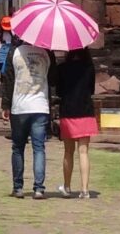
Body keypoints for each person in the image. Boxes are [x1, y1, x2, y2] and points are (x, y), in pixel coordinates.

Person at [51, 46, 100, 199]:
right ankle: (85, 189)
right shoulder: (89, 68)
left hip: (68, 112)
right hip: (85, 112)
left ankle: (67, 186)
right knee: (84, 151)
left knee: (68, 152)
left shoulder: (63, 68)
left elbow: (58, 91)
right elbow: (91, 90)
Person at [8, 37, 52, 199]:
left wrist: (5, 105)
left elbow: (8, 80)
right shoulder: (46, 53)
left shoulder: (15, 52)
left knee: (18, 148)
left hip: (20, 106)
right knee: (39, 148)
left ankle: (18, 187)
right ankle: (39, 188)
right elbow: (52, 78)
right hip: (40, 106)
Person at [0, 15, 16, 120]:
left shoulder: (14, 33)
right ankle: (4, 88)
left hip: (10, 53)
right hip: (1, 54)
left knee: (9, 73)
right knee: (3, 73)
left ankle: (6, 90)